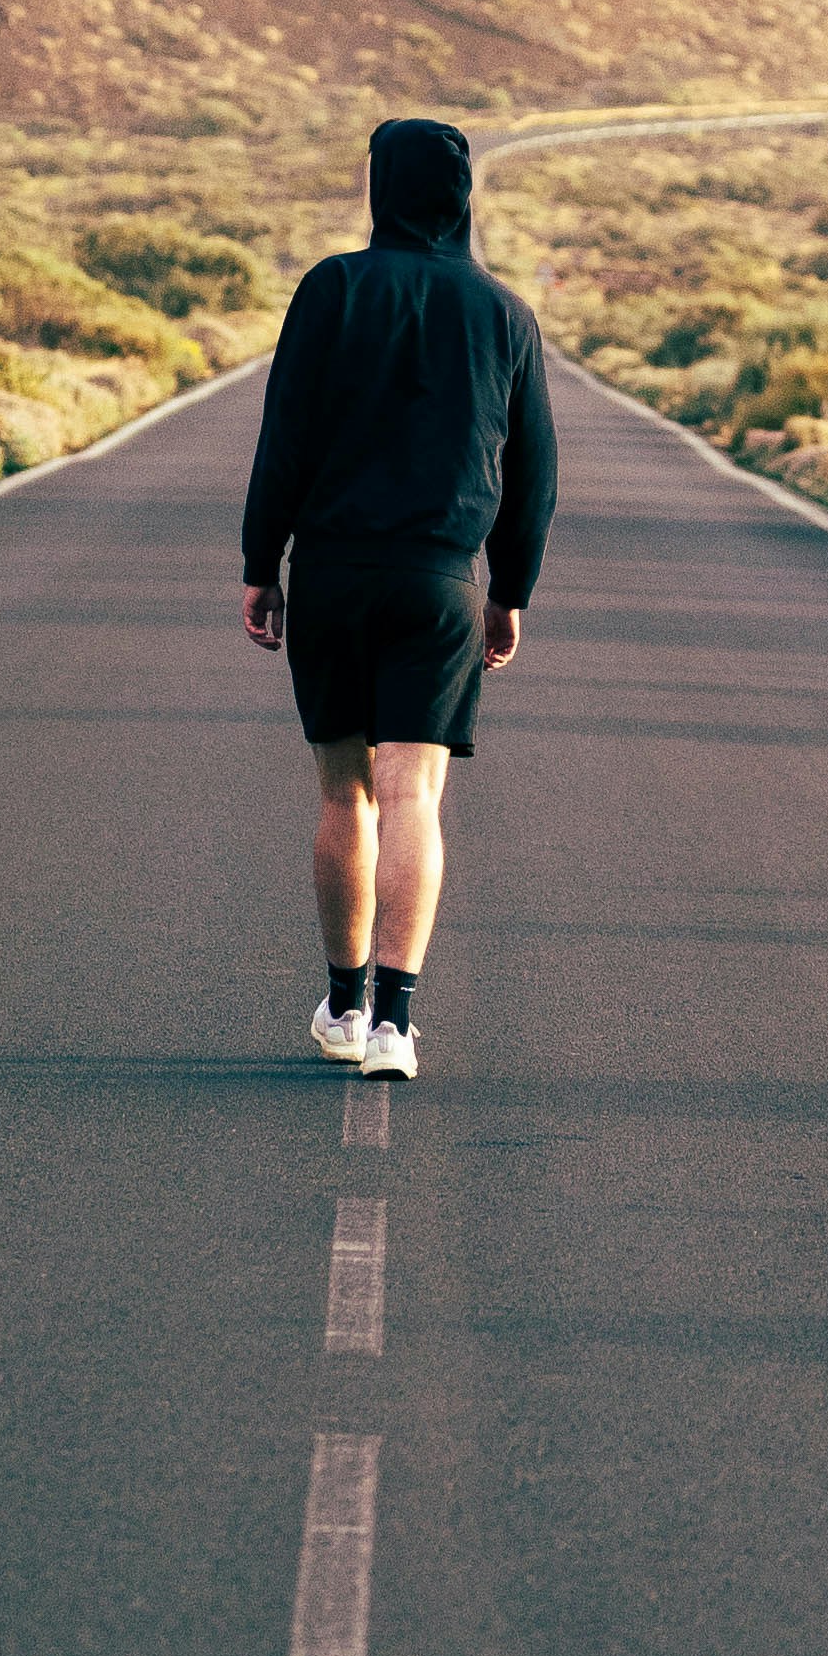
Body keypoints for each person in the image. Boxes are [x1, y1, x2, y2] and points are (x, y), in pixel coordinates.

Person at [240, 114, 555, 1081]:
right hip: (440, 578)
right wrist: (511, 592)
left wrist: (263, 565)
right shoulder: (504, 313)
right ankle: (396, 1024)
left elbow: (283, 436)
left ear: (380, 187)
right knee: (413, 790)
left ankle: (341, 1005)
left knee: (346, 792)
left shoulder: (330, 289)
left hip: (332, 572)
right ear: (461, 198)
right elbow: (532, 471)